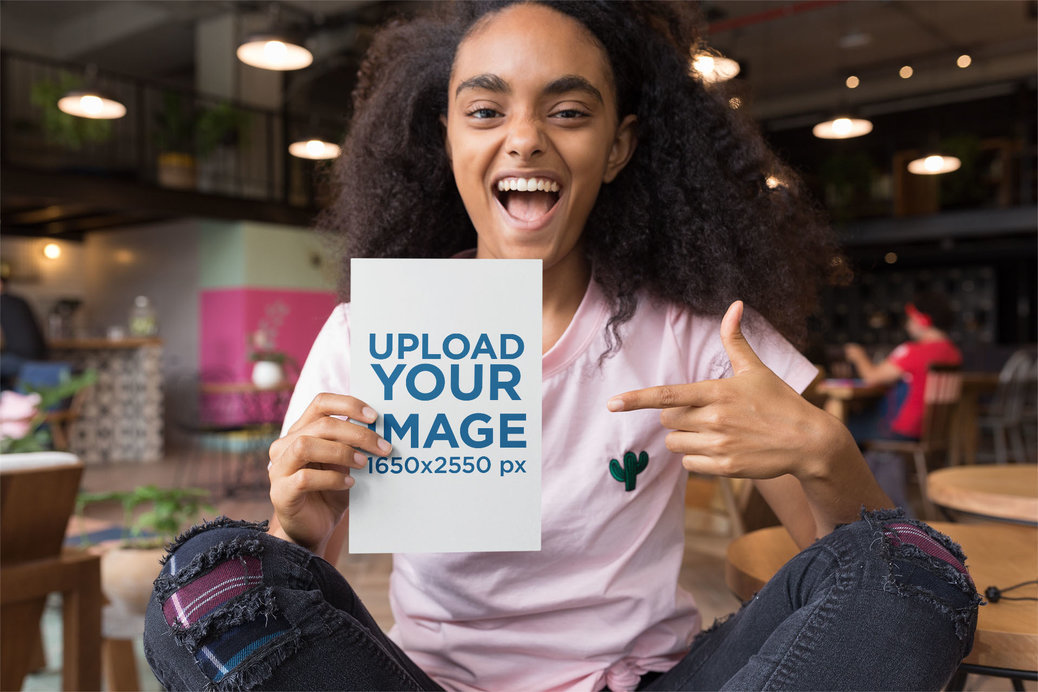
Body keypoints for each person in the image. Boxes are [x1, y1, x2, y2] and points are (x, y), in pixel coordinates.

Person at [144, 3, 979, 690]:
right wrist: (297, 523)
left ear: (617, 147)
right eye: (485, 110)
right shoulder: (371, 330)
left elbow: (857, 560)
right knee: (207, 578)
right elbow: (294, 593)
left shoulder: (696, 326)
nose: (526, 137)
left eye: (569, 111)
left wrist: (827, 452)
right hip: (428, 684)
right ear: (448, 138)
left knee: (913, 570)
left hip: (651, 680)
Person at [843, 292, 962, 512]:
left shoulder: (913, 351)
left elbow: (872, 377)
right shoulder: (952, 352)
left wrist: (858, 355)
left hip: (899, 429)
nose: (908, 323)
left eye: (911, 318)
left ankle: (846, 503)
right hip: (927, 429)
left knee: (839, 426)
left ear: (923, 320)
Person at [0, 271, 48, 391]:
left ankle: (7, 399)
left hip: (21, 358)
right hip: (40, 356)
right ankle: (9, 397)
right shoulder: (21, 301)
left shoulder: (2, 302)